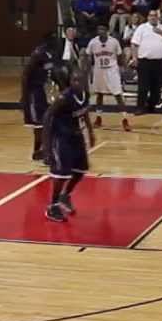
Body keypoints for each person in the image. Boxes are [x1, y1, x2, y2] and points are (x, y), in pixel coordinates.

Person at [44, 69, 96, 222]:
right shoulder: (63, 98)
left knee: (80, 171)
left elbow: (84, 112)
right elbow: (47, 117)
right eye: (74, 80)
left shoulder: (85, 95)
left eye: (80, 80)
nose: (77, 83)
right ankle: (52, 206)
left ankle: (65, 196)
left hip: (76, 136)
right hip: (61, 137)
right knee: (61, 174)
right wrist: (46, 147)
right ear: (70, 81)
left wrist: (91, 132)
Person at [86, 25, 130, 131]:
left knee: (118, 94)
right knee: (99, 94)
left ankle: (125, 120)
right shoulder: (93, 42)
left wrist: (124, 67)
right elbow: (88, 56)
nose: (100, 31)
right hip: (99, 70)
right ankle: (98, 118)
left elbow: (120, 56)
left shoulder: (114, 42)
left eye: (103, 30)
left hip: (112, 70)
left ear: (107, 31)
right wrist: (87, 70)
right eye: (99, 29)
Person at [131, 10, 162, 113]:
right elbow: (134, 44)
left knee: (156, 86)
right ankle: (140, 107)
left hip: (159, 61)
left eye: (155, 15)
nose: (153, 17)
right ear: (148, 17)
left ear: (158, 17)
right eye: (151, 15)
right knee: (143, 86)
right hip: (144, 61)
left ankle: (151, 106)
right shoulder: (142, 28)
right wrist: (134, 58)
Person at [20, 35, 55, 160]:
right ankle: (39, 151)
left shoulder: (49, 55)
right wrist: (24, 96)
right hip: (33, 93)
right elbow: (25, 75)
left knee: (46, 122)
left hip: (42, 91)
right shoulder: (38, 54)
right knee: (39, 124)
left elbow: (52, 73)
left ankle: (39, 151)